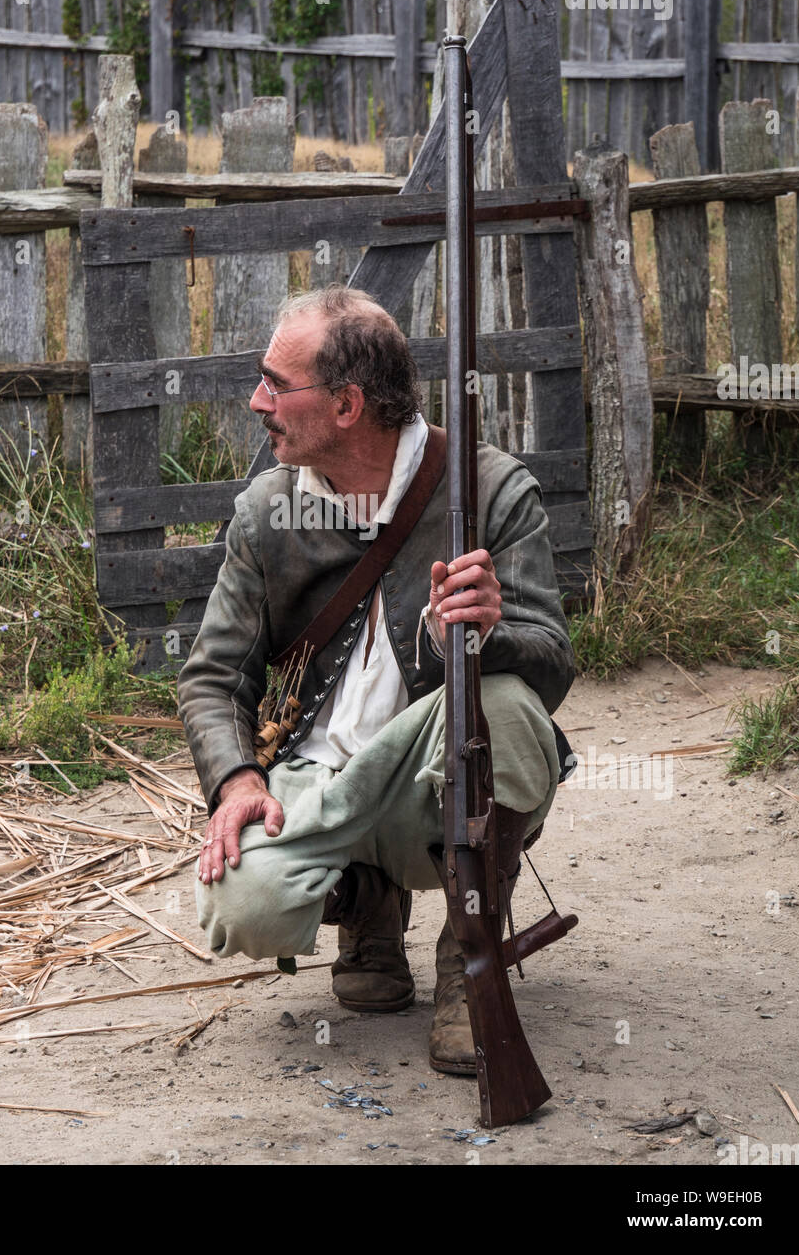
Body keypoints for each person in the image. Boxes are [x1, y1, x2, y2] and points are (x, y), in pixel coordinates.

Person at [177, 284, 574, 1075]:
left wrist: (490, 632)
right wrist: (236, 782)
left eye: (275, 385)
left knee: (507, 711)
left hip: (433, 776)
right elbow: (214, 677)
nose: (258, 401)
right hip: (317, 780)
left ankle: (472, 953)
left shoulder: (490, 489)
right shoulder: (266, 512)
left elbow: (551, 666)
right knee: (242, 904)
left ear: (348, 405)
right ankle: (366, 907)